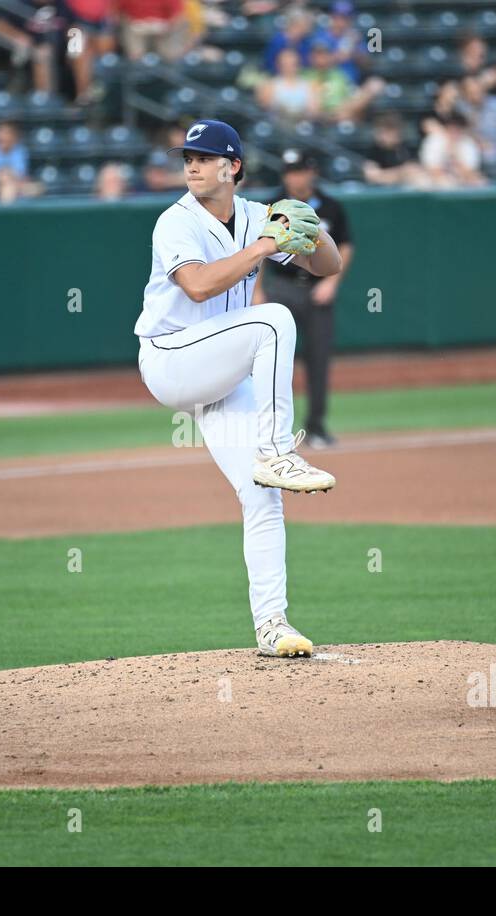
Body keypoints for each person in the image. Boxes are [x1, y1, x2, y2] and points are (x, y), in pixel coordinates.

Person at [133, 119, 342, 658]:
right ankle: (278, 450)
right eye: (188, 157)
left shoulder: (256, 215)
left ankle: (273, 626)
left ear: (234, 167)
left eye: (204, 157)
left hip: (220, 373)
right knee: (272, 319)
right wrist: (266, 245)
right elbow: (199, 286)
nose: (193, 165)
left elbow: (328, 266)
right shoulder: (173, 222)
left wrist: (312, 233)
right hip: (171, 358)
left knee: (263, 495)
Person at [258, 148, 353, 448]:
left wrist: (332, 283)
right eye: (289, 171)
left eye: (299, 170)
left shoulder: (329, 206)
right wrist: (258, 291)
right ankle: (270, 432)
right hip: (282, 288)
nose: (293, 177)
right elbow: (258, 251)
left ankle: (316, 428)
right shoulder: (271, 206)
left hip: (317, 289)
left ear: (311, 171)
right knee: (271, 362)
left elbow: (346, 245)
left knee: (319, 359)